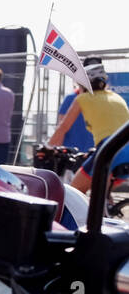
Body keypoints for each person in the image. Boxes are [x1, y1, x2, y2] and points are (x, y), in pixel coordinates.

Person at [50, 57, 129, 193]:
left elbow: (62, 128)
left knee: (73, 192)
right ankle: (106, 208)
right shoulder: (117, 97)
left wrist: (47, 148)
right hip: (125, 151)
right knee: (99, 195)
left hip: (108, 150)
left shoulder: (83, 99)